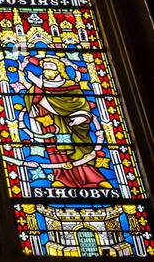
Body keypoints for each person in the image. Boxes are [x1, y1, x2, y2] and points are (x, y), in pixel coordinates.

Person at [21, 55, 111, 190]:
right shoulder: (40, 85)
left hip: (74, 126)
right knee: (56, 152)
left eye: (50, 66)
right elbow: (32, 101)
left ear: (59, 69)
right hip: (51, 125)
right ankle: (60, 178)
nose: (46, 69)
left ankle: (95, 179)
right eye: (44, 67)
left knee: (78, 152)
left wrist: (83, 116)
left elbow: (81, 104)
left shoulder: (70, 85)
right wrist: (36, 88)